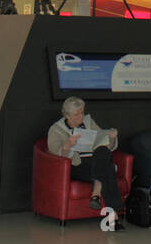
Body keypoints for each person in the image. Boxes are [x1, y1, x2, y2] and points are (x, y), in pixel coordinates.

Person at [47, 96, 125, 227]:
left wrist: (111, 138)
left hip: (94, 160)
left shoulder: (88, 122)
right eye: (76, 114)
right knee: (108, 169)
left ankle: (97, 196)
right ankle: (113, 214)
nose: (80, 117)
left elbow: (105, 143)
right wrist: (67, 146)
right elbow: (55, 155)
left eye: (82, 112)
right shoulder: (56, 130)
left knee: (104, 152)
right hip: (76, 164)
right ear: (66, 115)